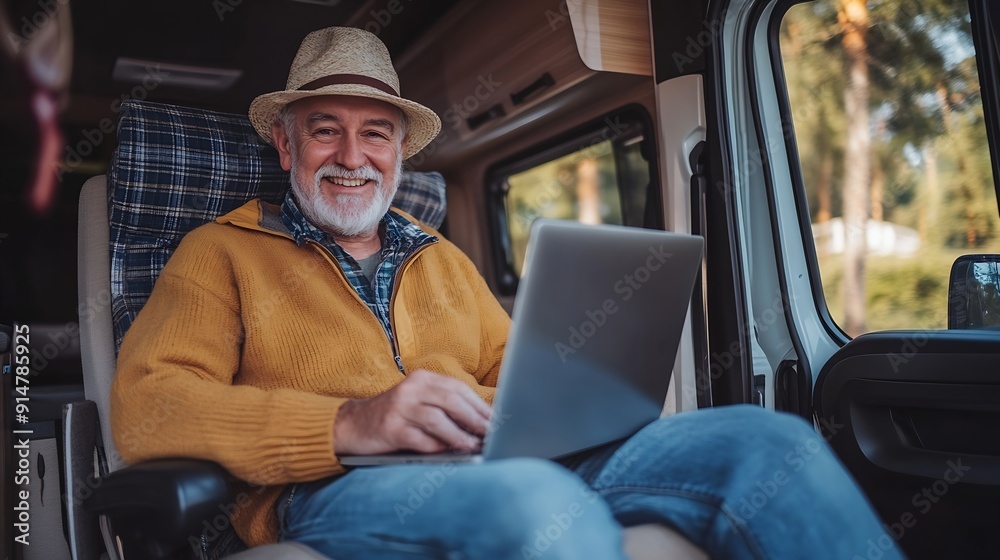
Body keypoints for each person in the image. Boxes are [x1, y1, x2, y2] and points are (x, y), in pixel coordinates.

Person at [112, 26, 905, 560]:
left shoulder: (443, 259)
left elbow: (508, 376)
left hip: (502, 455)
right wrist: (351, 423)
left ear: (397, 152)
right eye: (324, 128)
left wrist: (531, 413)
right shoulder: (216, 254)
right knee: (531, 501)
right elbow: (150, 407)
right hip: (330, 488)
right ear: (284, 143)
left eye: (375, 132)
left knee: (768, 442)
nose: (351, 155)